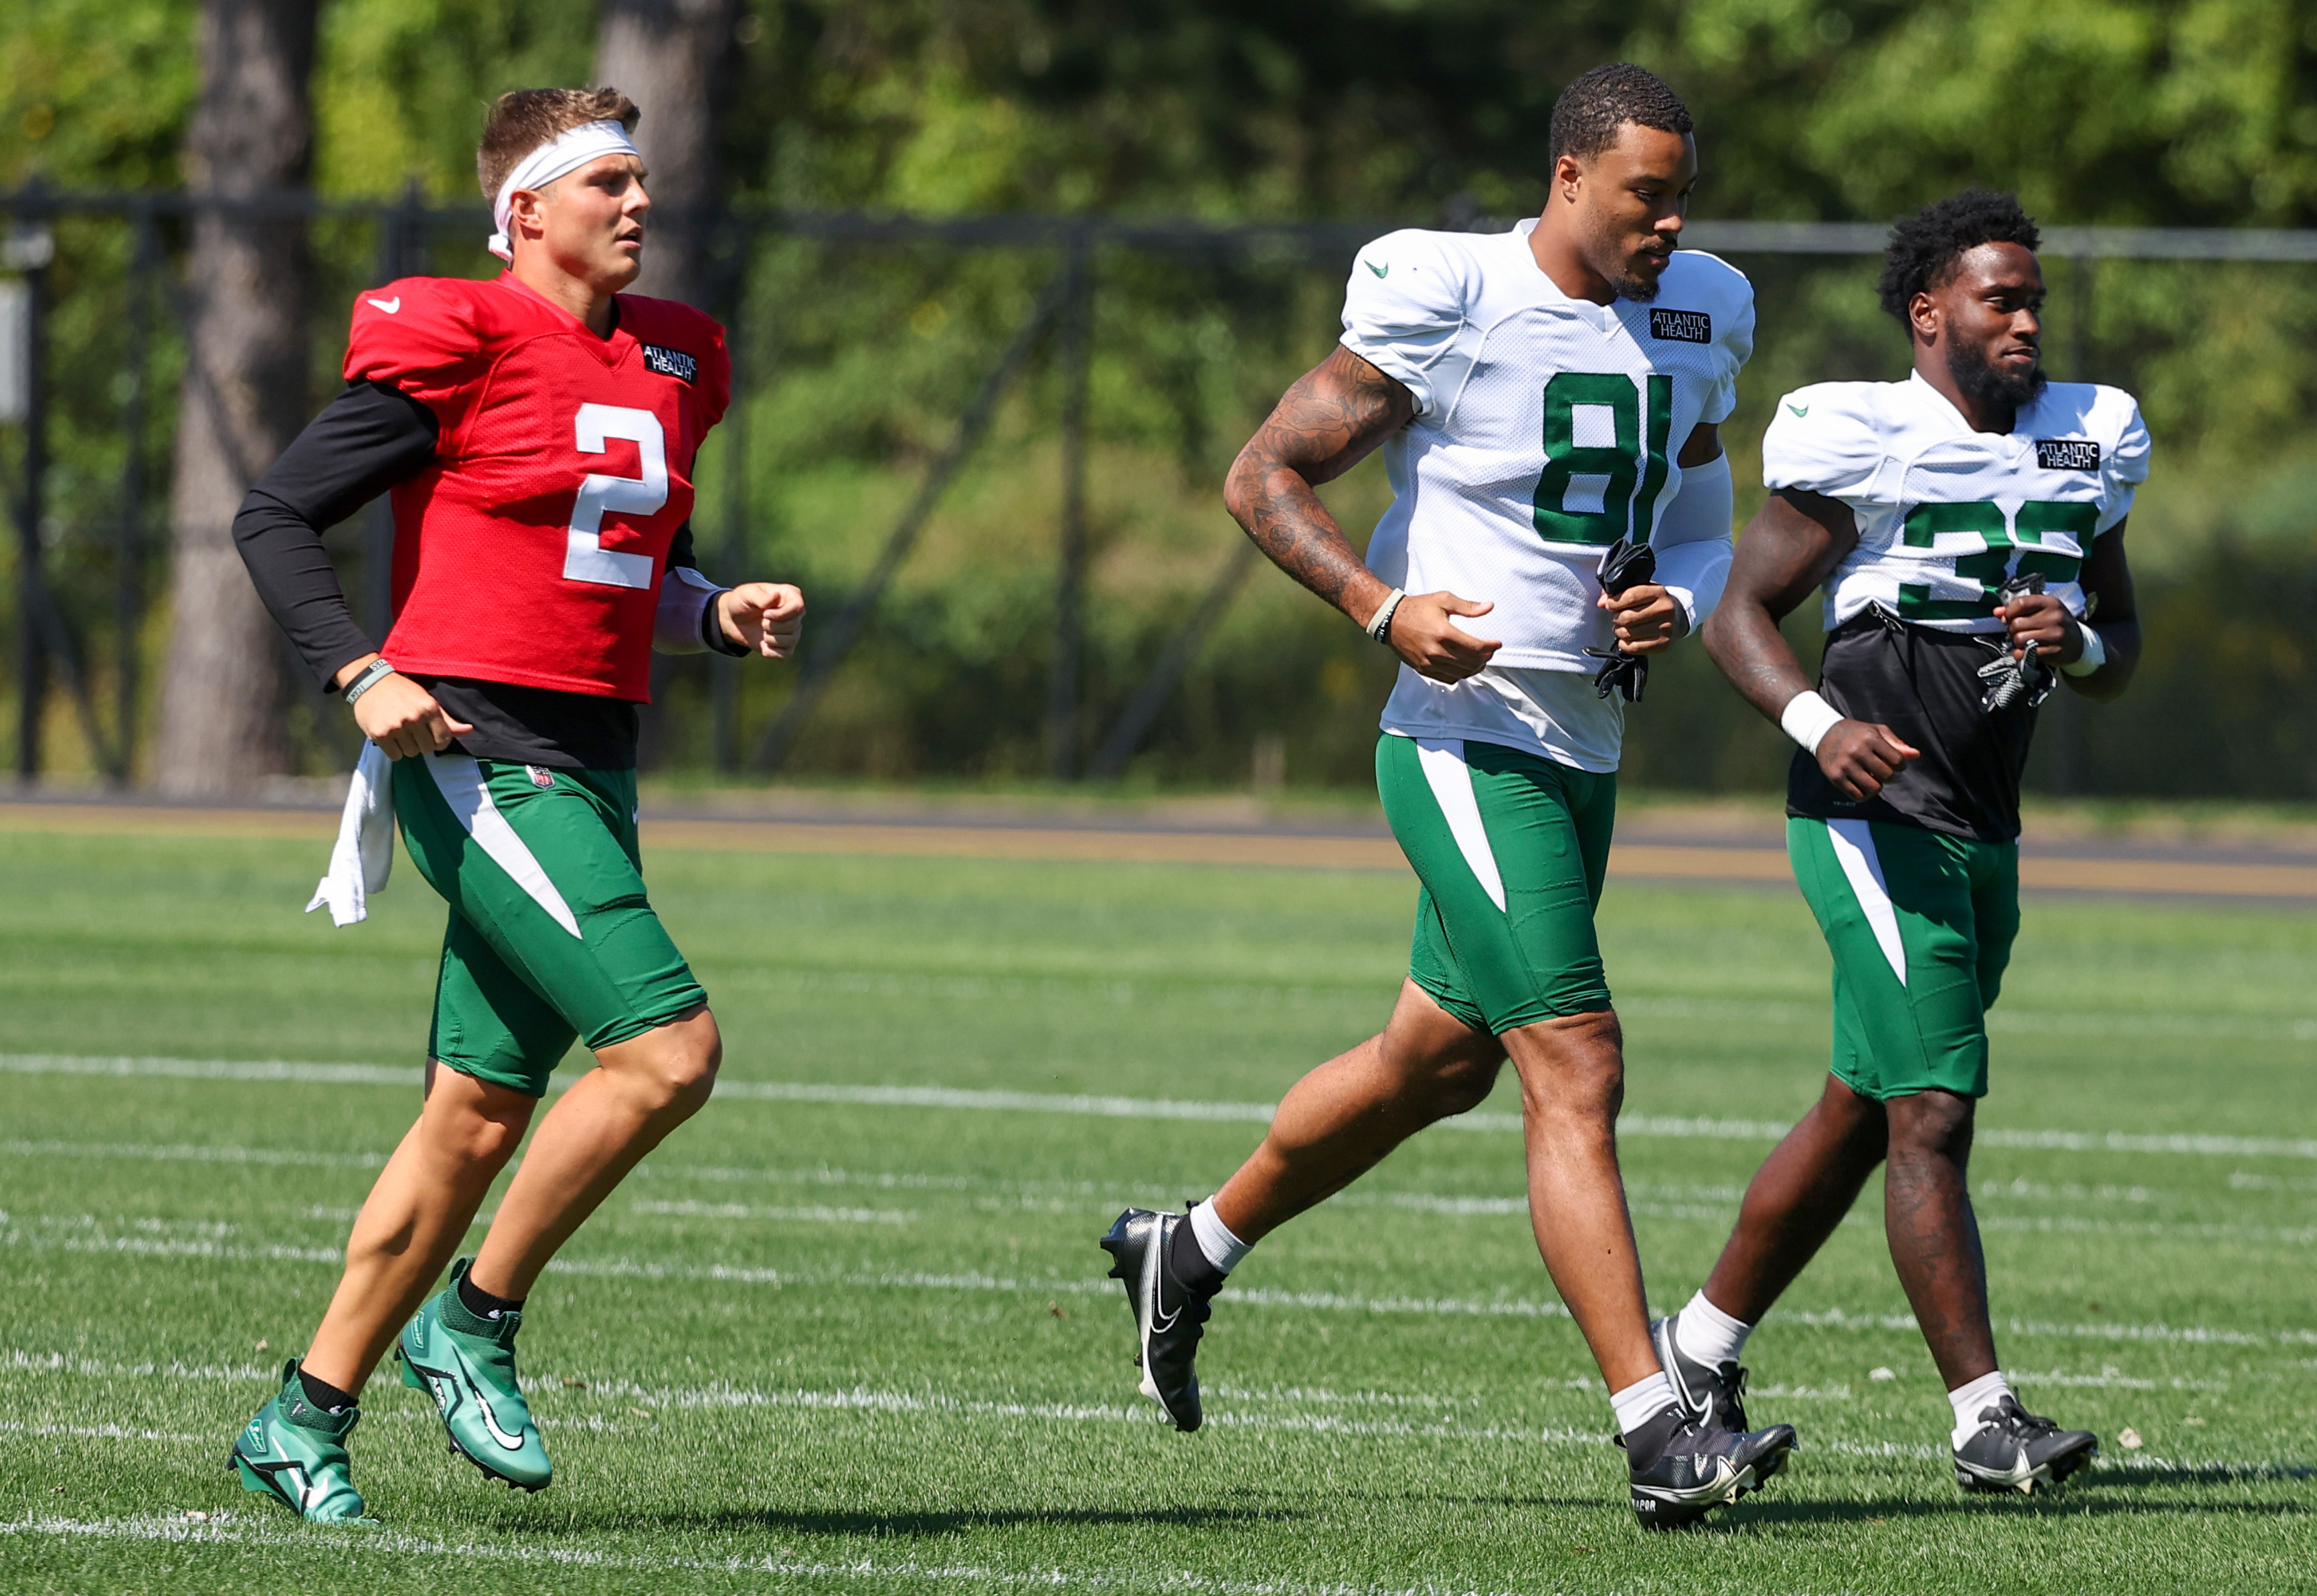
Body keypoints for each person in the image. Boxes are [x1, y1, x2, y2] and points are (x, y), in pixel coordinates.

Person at [1100, 63, 1797, 1530]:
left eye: (1684, 197)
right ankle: (1657, 1428)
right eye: (1644, 196)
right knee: (1576, 1059)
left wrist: (1680, 587)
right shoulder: (1451, 292)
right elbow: (1265, 473)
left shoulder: (1702, 309)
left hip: (1585, 737)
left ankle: (1190, 1246)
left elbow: (1691, 493)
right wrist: (1378, 604)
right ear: (1568, 176)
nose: (1670, 224)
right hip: (1463, 730)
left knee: (1439, 1059)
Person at [224, 86, 804, 1522]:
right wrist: (359, 668)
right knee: (669, 1050)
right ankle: (472, 1317)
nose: (640, 201)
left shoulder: (677, 356)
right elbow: (275, 514)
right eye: (607, 179)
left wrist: (712, 607)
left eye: (645, 177)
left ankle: (303, 1414)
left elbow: (605, 567)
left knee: (477, 1113)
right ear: (523, 209)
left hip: (590, 754)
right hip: (476, 745)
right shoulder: (462, 332)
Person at [1656, 189, 2146, 1495]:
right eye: (2002, 296)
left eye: (2034, 296)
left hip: (1985, 822)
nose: (2028, 318)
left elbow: (2118, 642)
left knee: (1865, 1104)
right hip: (1869, 819)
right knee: (1932, 1104)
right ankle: (1986, 1415)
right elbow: (1740, 612)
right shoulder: (1861, 434)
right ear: (1931, 312)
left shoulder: (2092, 438)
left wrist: (2079, 640)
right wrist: (1820, 725)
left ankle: (1696, 1344)